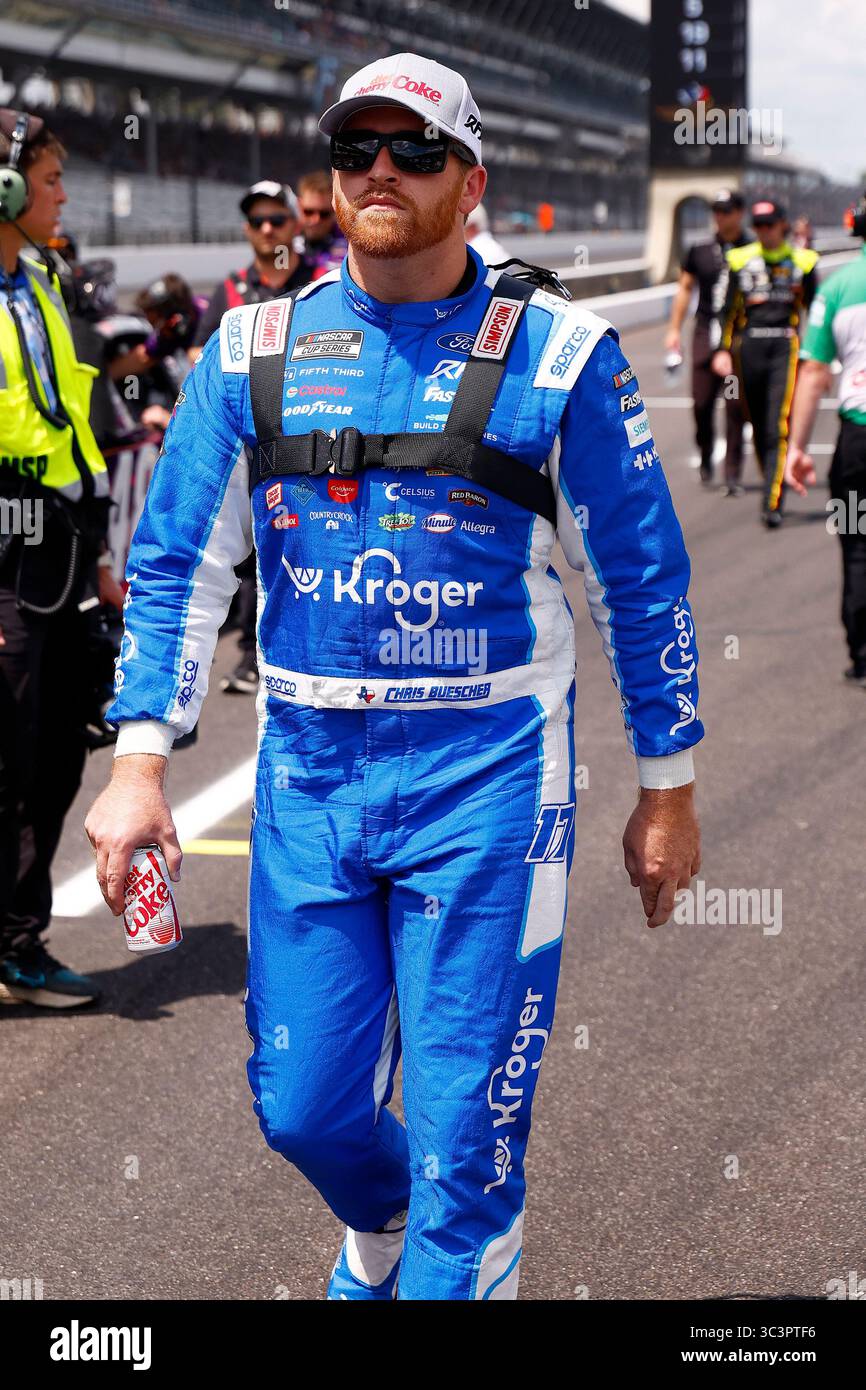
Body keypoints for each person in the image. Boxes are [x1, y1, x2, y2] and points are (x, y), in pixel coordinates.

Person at [85, 53, 703, 1300]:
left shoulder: (562, 356)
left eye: (413, 151)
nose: (378, 170)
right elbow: (177, 569)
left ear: (468, 183)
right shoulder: (252, 349)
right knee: (302, 1108)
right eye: (355, 148)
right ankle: (385, 1227)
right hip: (308, 779)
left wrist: (666, 790)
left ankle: (457, 1253)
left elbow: (641, 584)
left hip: (488, 787)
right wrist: (139, 762)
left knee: (465, 1151)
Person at [0, 109, 123, 1007]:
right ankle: (12, 945)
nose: (62, 194)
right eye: (48, 180)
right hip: (5, 563)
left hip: (64, 556)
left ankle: (17, 937)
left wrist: (98, 559)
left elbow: (75, 423)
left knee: (60, 745)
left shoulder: (42, 279)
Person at [193, 182, 314, 694]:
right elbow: (201, 362)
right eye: (258, 221)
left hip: (304, 438)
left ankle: (291, 646)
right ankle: (249, 652)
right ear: (247, 230)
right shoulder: (229, 290)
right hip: (243, 441)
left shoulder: (320, 285)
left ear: (295, 225)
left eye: (277, 220)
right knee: (239, 548)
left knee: (297, 542)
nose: (268, 230)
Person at [785, 192, 866, 685]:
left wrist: (796, 447)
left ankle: (861, 653)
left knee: (857, 546)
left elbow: (813, 372)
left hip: (856, 442)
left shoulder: (836, 288)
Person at [712, 199, 819, 528]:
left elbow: (815, 312)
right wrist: (721, 350)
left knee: (778, 424)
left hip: (785, 343)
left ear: (783, 224)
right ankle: (773, 476)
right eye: (758, 225)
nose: (764, 231)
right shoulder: (739, 259)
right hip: (749, 345)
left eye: (770, 224)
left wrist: (818, 356)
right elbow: (728, 310)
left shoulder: (804, 261)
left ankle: (772, 502)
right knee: (757, 424)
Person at [665, 189, 750, 491]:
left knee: (734, 405)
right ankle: (705, 453)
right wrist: (674, 329)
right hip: (704, 331)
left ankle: (732, 474)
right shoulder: (699, 249)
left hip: (738, 338)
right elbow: (685, 288)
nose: (720, 216)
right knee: (701, 404)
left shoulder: (752, 248)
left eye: (726, 210)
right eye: (716, 210)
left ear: (739, 212)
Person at [296, 169, 348, 279]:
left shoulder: (350, 248)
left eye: (324, 214)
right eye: (308, 212)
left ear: (335, 210)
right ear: (298, 206)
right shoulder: (284, 239)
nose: (316, 220)